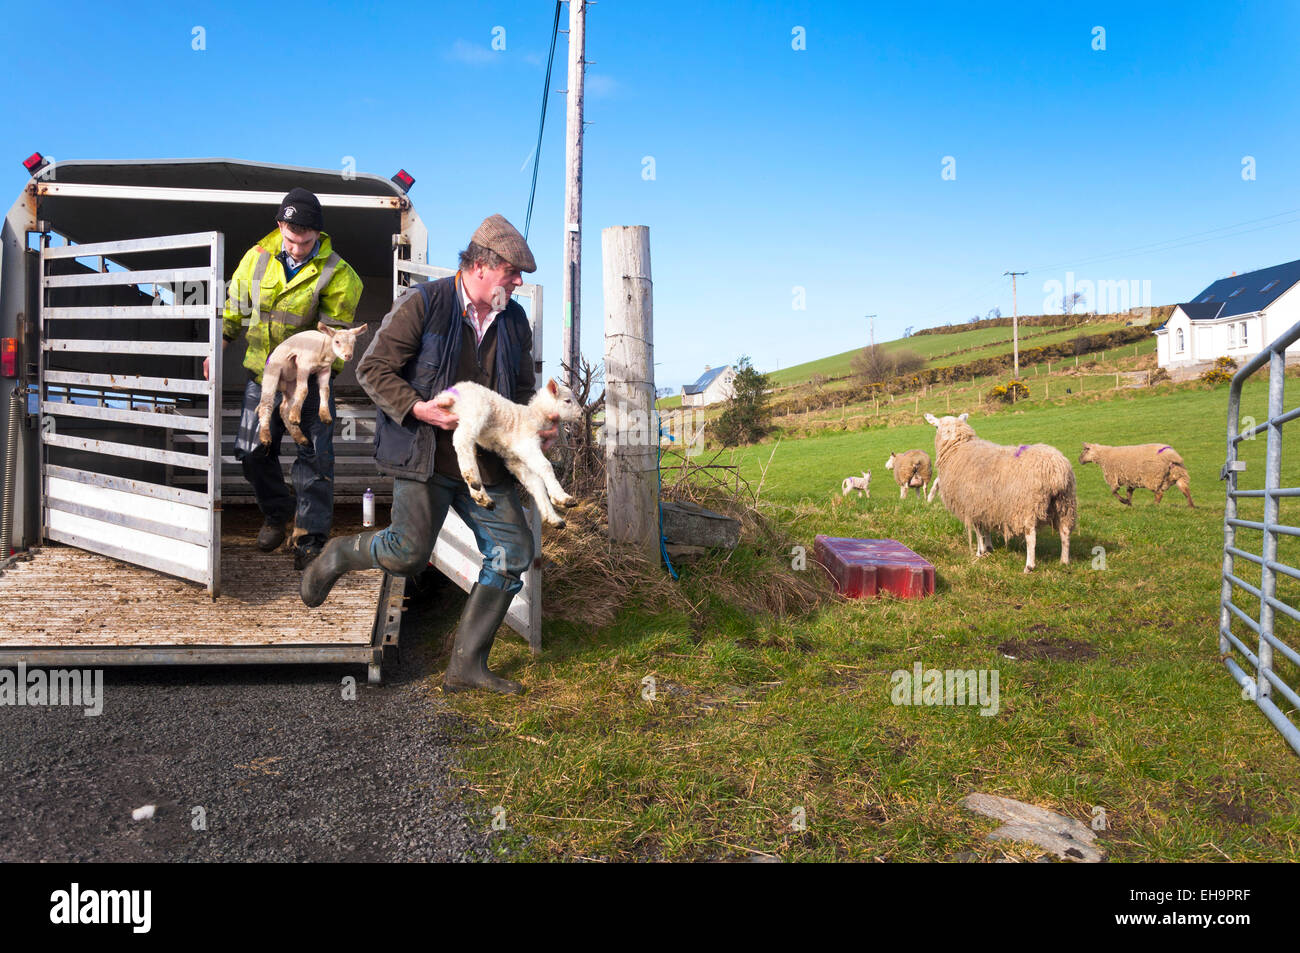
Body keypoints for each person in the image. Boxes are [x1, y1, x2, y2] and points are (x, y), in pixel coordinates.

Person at [301, 214, 553, 695]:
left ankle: (466, 667)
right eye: (513, 272)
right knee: (408, 554)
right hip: (424, 454)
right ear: (482, 266)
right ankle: (336, 554)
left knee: (514, 552)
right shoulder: (425, 303)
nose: (519, 282)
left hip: (485, 462)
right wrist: (418, 408)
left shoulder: (514, 320)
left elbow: (520, 391)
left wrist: (534, 428)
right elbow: (373, 369)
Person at [214, 188, 364, 570]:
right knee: (250, 452)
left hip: (309, 382)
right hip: (262, 375)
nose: (297, 248)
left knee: (314, 458)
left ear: (319, 234)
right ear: (280, 226)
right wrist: (217, 348)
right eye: (291, 239)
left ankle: (309, 541)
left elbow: (339, 337)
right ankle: (278, 513)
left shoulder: (341, 274)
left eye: (307, 241)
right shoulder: (256, 259)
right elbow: (233, 309)